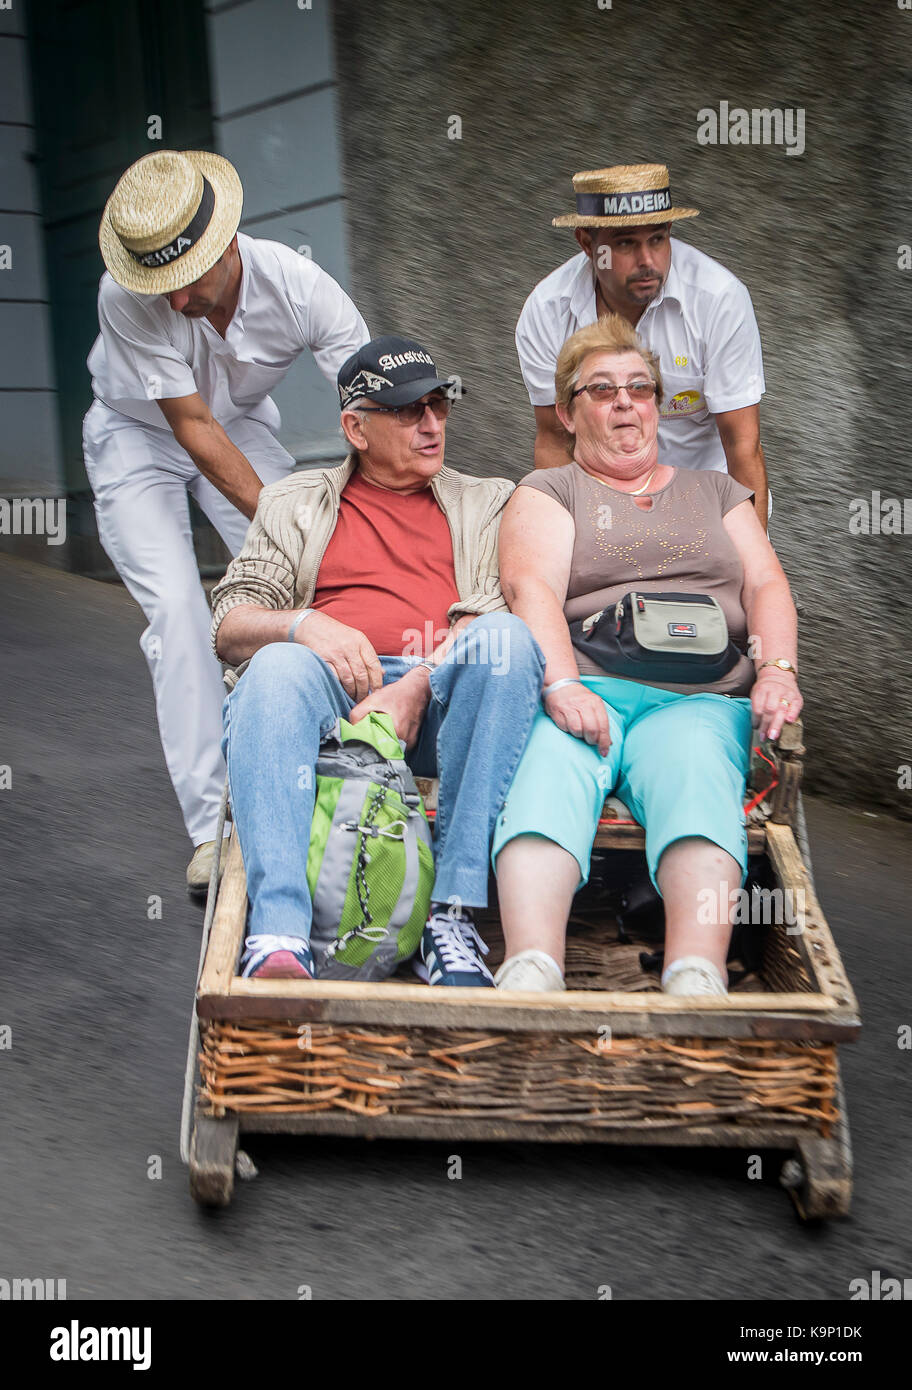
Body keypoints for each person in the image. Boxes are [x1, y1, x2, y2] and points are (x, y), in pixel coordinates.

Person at [210, 335, 544, 984]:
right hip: (331, 710)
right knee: (275, 665)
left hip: (446, 712)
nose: (432, 424)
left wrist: (418, 683)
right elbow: (230, 624)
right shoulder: (294, 503)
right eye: (408, 411)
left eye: (440, 406)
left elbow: (496, 611)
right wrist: (305, 624)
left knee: (508, 644)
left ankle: (449, 915)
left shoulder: (490, 501)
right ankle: (278, 934)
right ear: (355, 427)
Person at [83, 149, 369, 892]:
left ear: (225, 243)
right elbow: (191, 429)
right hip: (135, 435)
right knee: (180, 610)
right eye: (161, 286)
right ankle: (214, 824)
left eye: (187, 281)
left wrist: (358, 516)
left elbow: (373, 404)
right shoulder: (123, 299)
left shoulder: (299, 285)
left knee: (319, 574)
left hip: (235, 425)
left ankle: (342, 765)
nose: (175, 302)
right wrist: (285, 520)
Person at [493, 315, 801, 995]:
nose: (625, 401)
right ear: (569, 414)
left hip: (700, 695)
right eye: (601, 390)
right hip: (587, 685)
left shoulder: (716, 491)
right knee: (550, 766)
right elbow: (531, 587)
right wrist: (563, 684)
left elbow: (767, 583)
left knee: (693, 771)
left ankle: (696, 969)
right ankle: (531, 966)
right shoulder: (549, 491)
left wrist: (778, 671)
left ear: (659, 402)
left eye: (639, 387)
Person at [515, 163, 770, 523]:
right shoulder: (546, 310)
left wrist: (754, 563)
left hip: (708, 506)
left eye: (657, 238)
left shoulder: (719, 299)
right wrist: (564, 546)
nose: (647, 260)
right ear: (588, 244)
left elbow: (743, 447)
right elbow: (556, 441)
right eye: (626, 244)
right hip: (603, 511)